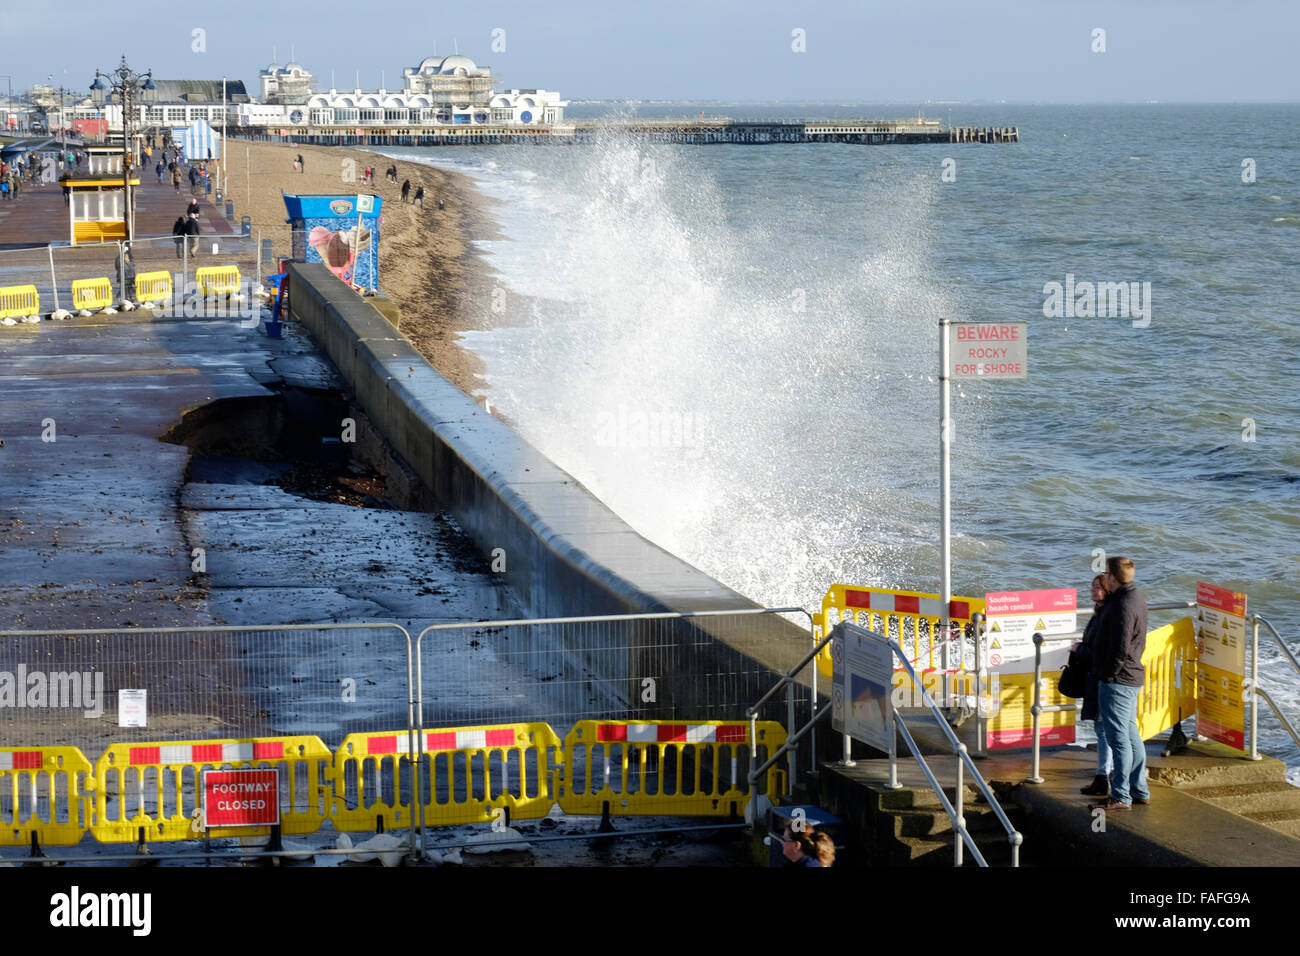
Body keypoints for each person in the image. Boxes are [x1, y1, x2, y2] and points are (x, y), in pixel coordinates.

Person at [1089, 556, 1151, 811]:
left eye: (1106, 574)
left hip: (1118, 681)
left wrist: (1109, 674)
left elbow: (1120, 648)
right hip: (1130, 678)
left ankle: (1121, 796)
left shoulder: (1122, 605)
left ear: (1113, 577)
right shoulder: (1135, 599)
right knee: (1131, 735)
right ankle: (1139, 790)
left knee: (1119, 740)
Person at [1078, 574, 1113, 797]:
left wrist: (1078, 650)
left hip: (1103, 678)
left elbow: (1099, 650)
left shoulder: (1105, 616)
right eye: (1092, 587)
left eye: (1098, 587)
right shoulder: (1101, 613)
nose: (1093, 590)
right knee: (1102, 729)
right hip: (1098, 678)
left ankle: (1104, 777)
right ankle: (1105, 774)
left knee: (1103, 730)